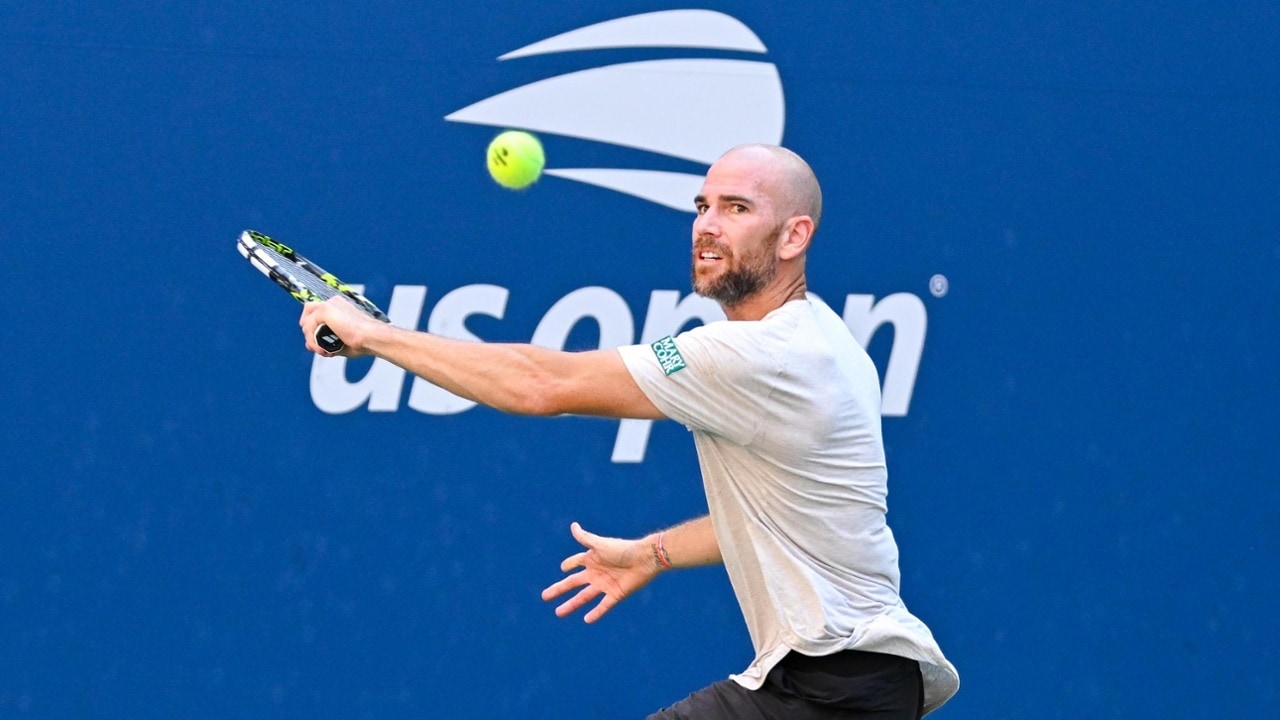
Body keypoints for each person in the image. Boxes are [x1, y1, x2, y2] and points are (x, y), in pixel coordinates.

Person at [300, 144, 959, 718]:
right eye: (702, 206)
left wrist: (374, 336)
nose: (707, 226)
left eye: (736, 209)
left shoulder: (762, 356)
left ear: (793, 237)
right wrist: (653, 553)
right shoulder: (823, 339)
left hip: (827, 683)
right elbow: (779, 520)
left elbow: (540, 385)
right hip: (863, 683)